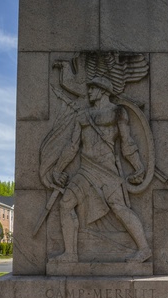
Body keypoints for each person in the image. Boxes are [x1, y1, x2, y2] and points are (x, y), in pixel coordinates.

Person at [49, 77, 151, 264]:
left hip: (108, 171)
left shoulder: (118, 112)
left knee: (119, 208)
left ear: (103, 91)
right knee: (66, 203)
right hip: (86, 169)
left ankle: (144, 249)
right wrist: (58, 169)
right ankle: (70, 254)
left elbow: (127, 143)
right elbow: (72, 147)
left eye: (92, 89)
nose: (88, 92)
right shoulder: (82, 116)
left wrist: (138, 167)